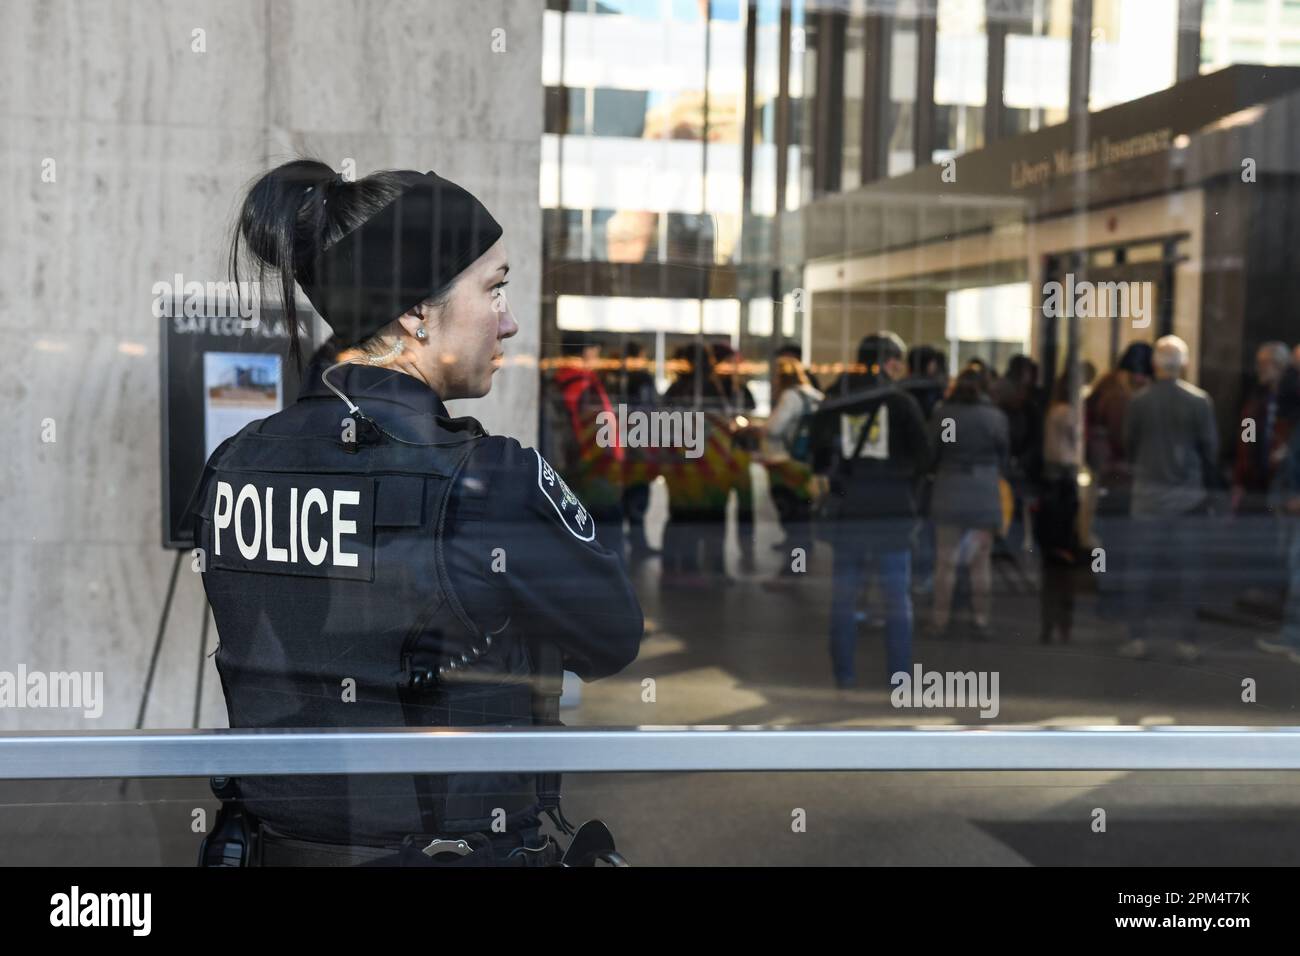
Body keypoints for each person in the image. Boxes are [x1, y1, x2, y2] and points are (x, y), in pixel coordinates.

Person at [191, 160, 643, 867]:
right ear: (414, 314)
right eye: (494, 288)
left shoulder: (237, 464)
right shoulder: (488, 481)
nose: (510, 320)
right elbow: (613, 639)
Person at [811, 332, 931, 688]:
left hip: (850, 510)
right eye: (896, 361)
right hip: (893, 511)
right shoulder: (902, 402)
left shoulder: (834, 400)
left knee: (844, 598)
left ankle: (844, 675)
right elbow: (925, 458)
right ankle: (899, 677)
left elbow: (817, 456)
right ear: (885, 361)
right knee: (897, 598)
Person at [1117, 335, 1218, 662]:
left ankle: (1137, 638)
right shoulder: (1199, 401)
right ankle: (1186, 641)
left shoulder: (1139, 401)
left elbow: (1128, 443)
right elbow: (1210, 451)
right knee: (1189, 572)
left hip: (1147, 497)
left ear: (1155, 365)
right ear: (1183, 364)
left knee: (1140, 571)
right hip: (1187, 498)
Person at [927, 368, 1010, 640]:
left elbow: (933, 453)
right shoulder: (995, 417)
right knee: (980, 562)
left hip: (949, 489)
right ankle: (981, 619)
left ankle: (940, 619)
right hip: (983, 491)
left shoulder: (944, 415)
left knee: (945, 561)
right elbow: (1004, 456)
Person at [760, 353, 823, 587]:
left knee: (792, 520)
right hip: (805, 464)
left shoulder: (790, 396)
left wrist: (759, 429)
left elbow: (774, 428)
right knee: (802, 520)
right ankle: (798, 568)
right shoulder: (814, 395)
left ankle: (792, 573)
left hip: (785, 463)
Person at [1036, 372, 1083, 644]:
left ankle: (1049, 624)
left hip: (1053, 480)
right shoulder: (1067, 412)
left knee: (1050, 565)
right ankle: (1064, 624)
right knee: (1065, 562)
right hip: (1065, 480)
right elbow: (1076, 443)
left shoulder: (1052, 410)